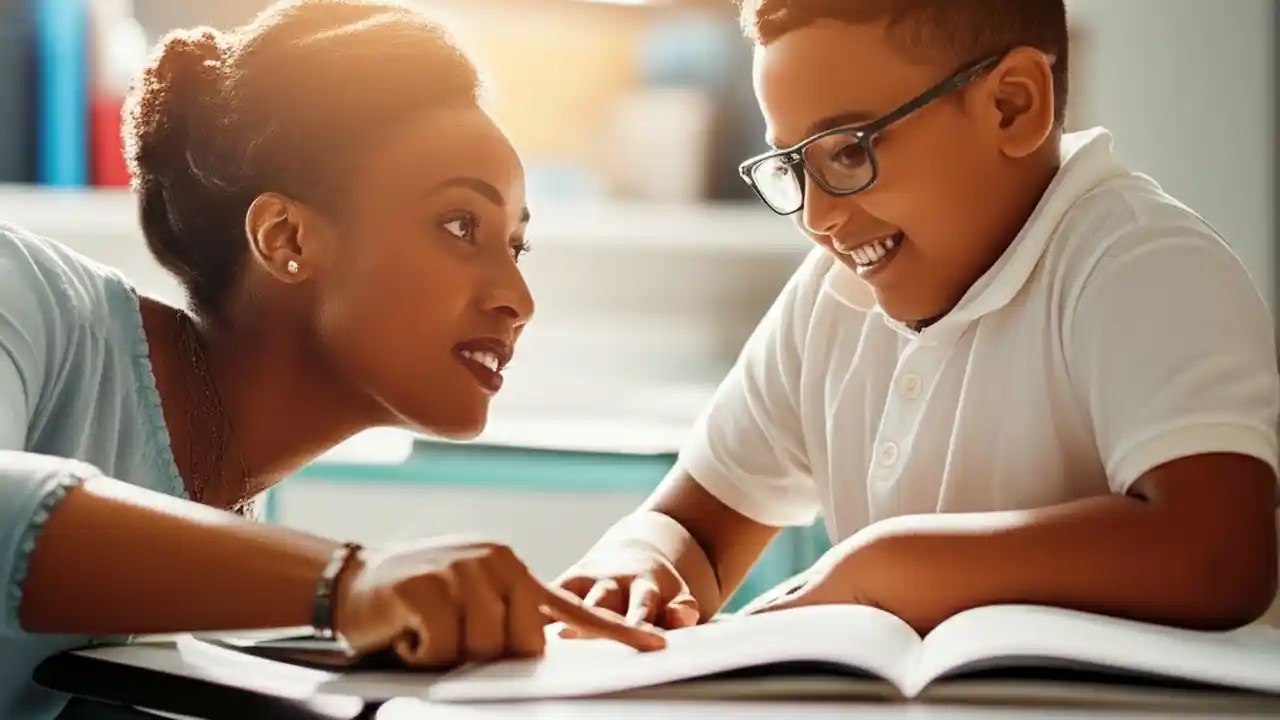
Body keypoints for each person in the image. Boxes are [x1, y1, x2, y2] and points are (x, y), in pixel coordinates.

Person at [0, 1, 663, 717]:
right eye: (459, 224)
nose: (517, 299)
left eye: (515, 246)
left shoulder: (235, 540)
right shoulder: (24, 295)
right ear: (286, 238)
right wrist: (348, 581)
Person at [559, 0, 1280, 637]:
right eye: (793, 166)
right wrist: (639, 558)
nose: (817, 217)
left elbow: (1219, 554)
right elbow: (695, 528)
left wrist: (895, 566)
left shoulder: (1139, 263)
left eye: (849, 151)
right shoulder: (831, 297)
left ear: (1012, 106)